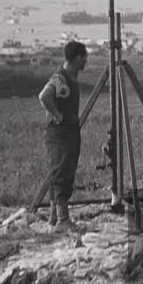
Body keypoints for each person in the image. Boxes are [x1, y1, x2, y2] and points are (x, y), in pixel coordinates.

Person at [38, 40, 88, 232]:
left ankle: (54, 216)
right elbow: (44, 96)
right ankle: (63, 219)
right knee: (62, 172)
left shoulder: (70, 77)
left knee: (60, 171)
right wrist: (57, 114)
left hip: (69, 130)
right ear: (77, 58)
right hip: (60, 132)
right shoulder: (61, 78)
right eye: (84, 58)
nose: (86, 62)